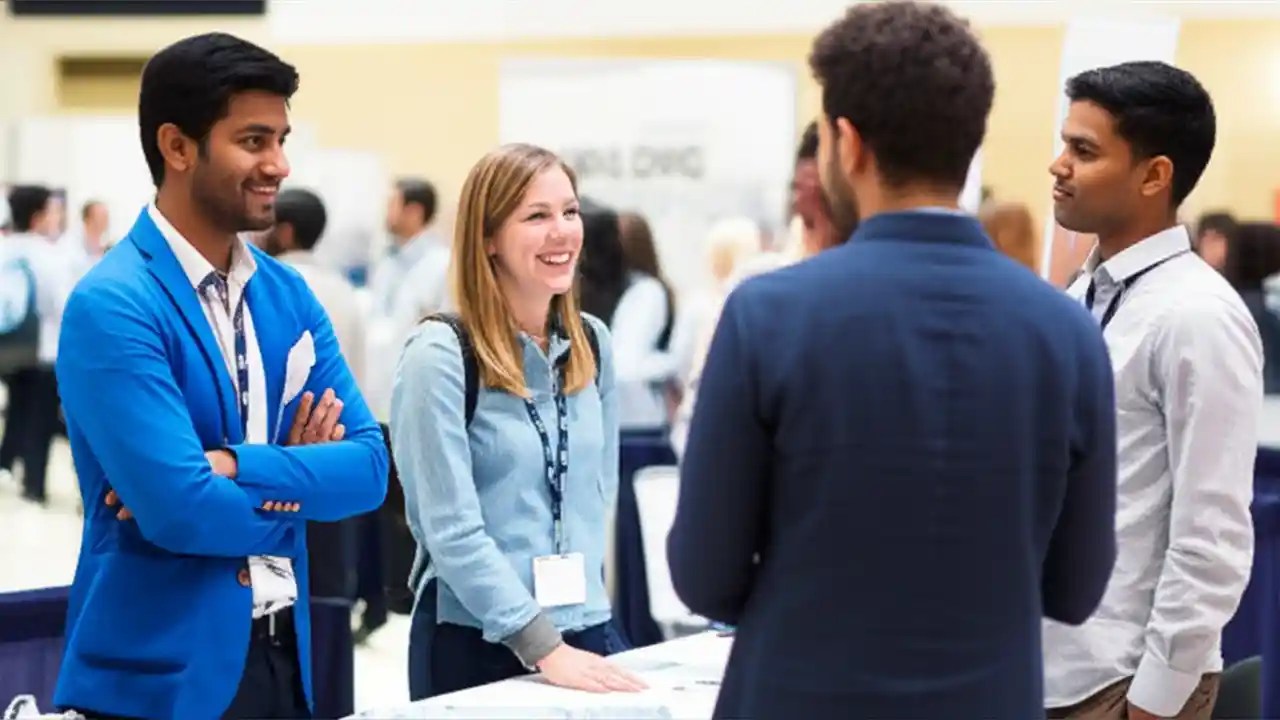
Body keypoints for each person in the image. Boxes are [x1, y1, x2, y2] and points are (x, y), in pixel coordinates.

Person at [667, 2, 1118, 718]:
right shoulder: (1068, 332)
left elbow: (703, 575)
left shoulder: (767, 315)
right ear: (971, 144)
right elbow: (1077, 588)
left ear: (847, 144)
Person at [52, 32, 388, 719]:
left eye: (282, 140)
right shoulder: (114, 303)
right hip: (158, 683)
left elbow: (370, 470)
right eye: (254, 140)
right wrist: (299, 485)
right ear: (177, 147)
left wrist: (232, 467)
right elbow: (181, 511)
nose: (280, 165)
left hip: (282, 663)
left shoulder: (287, 295)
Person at [1046, 61, 1262, 720]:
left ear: (1154, 175)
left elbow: (1213, 535)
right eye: (1064, 144)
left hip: (1122, 683)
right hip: (1054, 665)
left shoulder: (1197, 315)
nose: (1058, 165)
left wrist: (1155, 699)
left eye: (1084, 151)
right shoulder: (1084, 292)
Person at [391, 143, 646, 699]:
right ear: (488, 239)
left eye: (570, 212)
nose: (563, 232)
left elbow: (595, 496)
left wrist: (583, 628)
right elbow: (450, 530)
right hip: (475, 640)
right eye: (537, 216)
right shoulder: (439, 355)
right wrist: (543, 647)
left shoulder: (592, 344)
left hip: (586, 628)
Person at [0, 184, 73, 505]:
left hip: (11, 346)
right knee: (40, 420)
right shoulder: (47, 254)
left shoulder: (6, 248)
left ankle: (7, 465)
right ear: (37, 216)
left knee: (17, 410)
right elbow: (63, 303)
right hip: (46, 350)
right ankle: (34, 483)